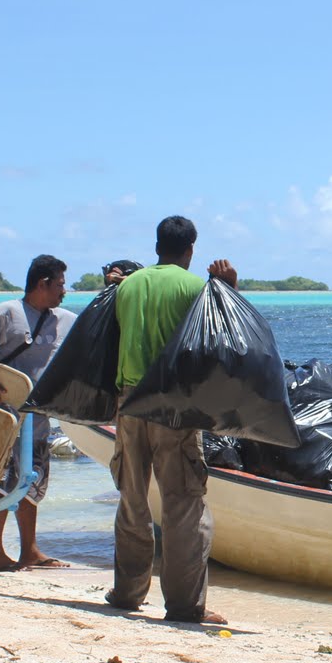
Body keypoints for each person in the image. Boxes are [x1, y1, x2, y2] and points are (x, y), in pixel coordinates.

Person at [106, 216, 238, 623]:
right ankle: (183, 605)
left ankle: (128, 593)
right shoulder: (194, 288)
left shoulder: (127, 286)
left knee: (132, 498)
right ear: (191, 249)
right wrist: (228, 287)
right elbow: (226, 331)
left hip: (128, 401)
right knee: (182, 504)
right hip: (173, 406)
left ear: (156, 244)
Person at [0, 254, 77, 572]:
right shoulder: (6, 313)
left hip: (38, 419)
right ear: (43, 284)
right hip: (3, 417)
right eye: (61, 285)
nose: (64, 291)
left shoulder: (66, 320)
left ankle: (30, 551)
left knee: (32, 481)